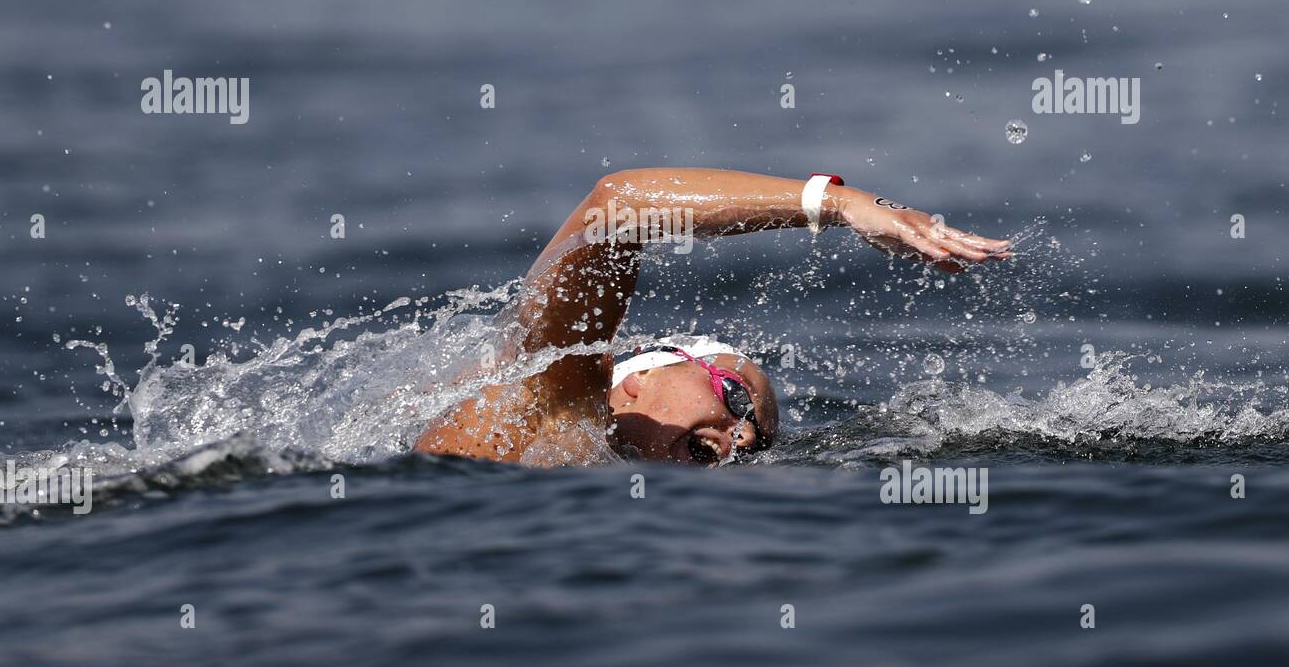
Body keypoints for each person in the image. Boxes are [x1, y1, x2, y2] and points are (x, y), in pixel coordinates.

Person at [413, 168, 1010, 465]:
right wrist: (837, 203)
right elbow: (616, 206)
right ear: (632, 381)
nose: (745, 435)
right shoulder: (553, 390)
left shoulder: (605, 479)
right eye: (738, 398)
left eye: (757, 445)